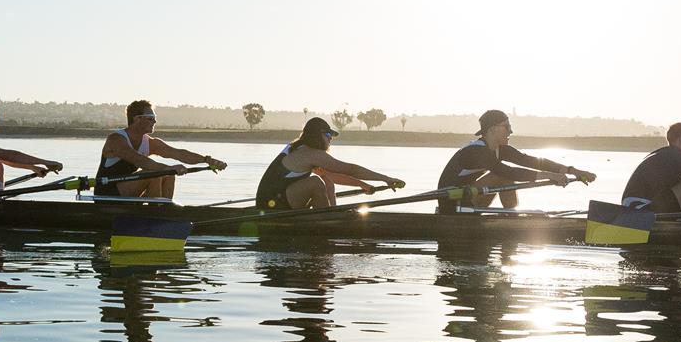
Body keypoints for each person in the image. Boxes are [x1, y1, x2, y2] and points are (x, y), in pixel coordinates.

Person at [435, 109, 594, 212]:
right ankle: (511, 218)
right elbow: (508, 171)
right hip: (451, 203)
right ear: (492, 129)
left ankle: (511, 217)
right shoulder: (476, 151)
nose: (511, 131)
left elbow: (533, 161)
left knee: (504, 176)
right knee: (502, 176)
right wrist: (550, 176)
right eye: (506, 126)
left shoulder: (500, 149)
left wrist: (574, 171)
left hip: (468, 199)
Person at [254, 117, 406, 210]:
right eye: (328, 134)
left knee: (326, 181)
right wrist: (386, 179)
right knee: (315, 182)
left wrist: (362, 184)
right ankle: (327, 220)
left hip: (272, 200)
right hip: (271, 205)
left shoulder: (300, 149)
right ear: (316, 135)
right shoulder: (310, 153)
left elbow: (333, 176)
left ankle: (330, 214)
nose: (330, 138)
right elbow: (350, 169)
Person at [96, 100, 227, 199]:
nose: (154, 122)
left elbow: (180, 154)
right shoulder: (116, 139)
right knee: (154, 173)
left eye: (155, 118)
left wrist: (207, 160)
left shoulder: (150, 143)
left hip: (127, 190)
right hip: (106, 193)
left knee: (168, 175)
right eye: (151, 118)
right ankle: (155, 213)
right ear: (137, 119)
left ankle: (165, 210)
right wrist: (168, 168)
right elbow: (140, 161)